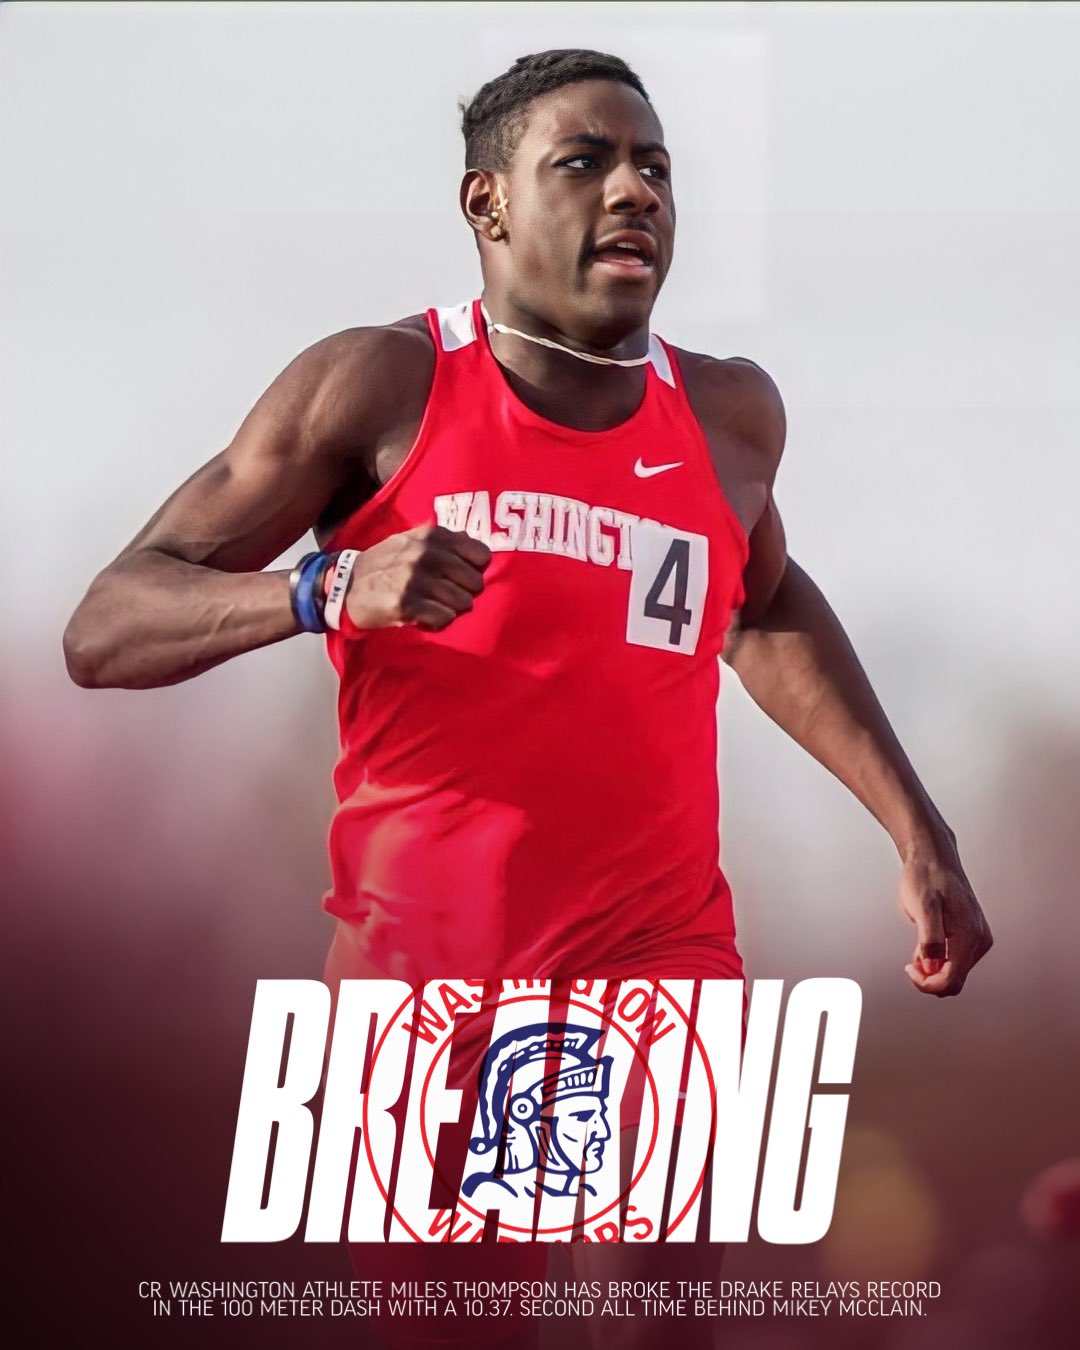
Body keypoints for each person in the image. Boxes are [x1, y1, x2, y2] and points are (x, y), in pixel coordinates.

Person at [63, 48, 992, 1350]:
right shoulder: (378, 387)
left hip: (655, 952)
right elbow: (106, 625)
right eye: (586, 162)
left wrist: (918, 830)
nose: (635, 192)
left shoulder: (726, 417)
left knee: (659, 1314)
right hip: (421, 982)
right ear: (486, 202)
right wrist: (327, 586)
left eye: (655, 167)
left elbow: (762, 601)